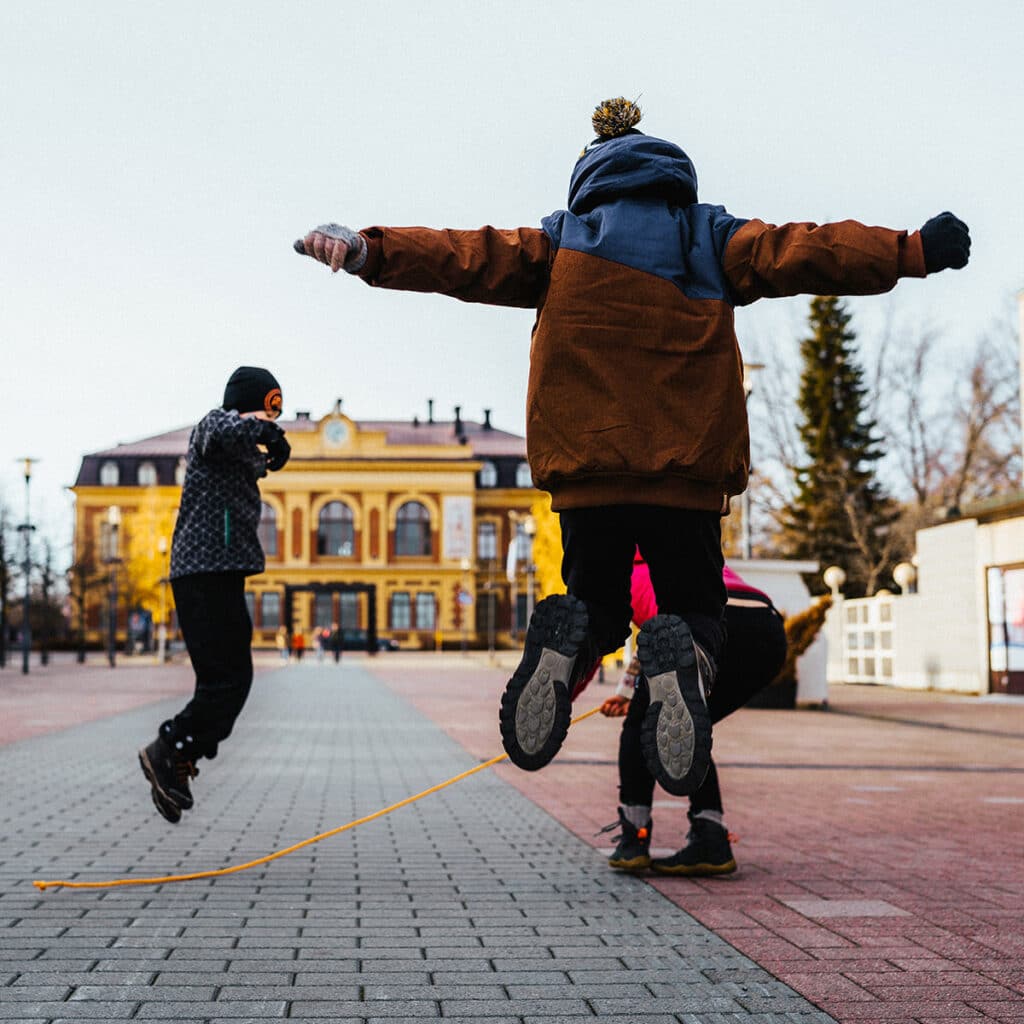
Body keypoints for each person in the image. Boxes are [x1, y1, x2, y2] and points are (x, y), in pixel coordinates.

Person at [296, 97, 970, 798]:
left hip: (589, 472)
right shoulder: (710, 237)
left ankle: (569, 652)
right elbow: (807, 249)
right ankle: (686, 664)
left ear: (589, 180)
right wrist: (912, 249)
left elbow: (464, 256)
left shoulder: (558, 243)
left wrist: (370, 249)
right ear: (672, 178)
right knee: (695, 610)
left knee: (597, 606)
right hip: (685, 474)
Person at [138, 366, 291, 824]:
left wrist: (272, 456)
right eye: (263, 415)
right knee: (225, 679)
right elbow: (224, 430)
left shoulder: (238, 453)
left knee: (234, 679)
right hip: (201, 572)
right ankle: (169, 747)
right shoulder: (213, 427)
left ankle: (181, 755)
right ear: (245, 408)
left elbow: (251, 457)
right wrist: (264, 432)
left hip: (221, 574)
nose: (265, 427)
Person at [584, 557, 786, 876]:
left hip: (709, 624)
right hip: (767, 628)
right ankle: (710, 838)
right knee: (688, 725)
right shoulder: (683, 545)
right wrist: (626, 694)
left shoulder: (620, 570)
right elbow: (655, 634)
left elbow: (626, 635)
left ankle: (634, 837)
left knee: (641, 727)